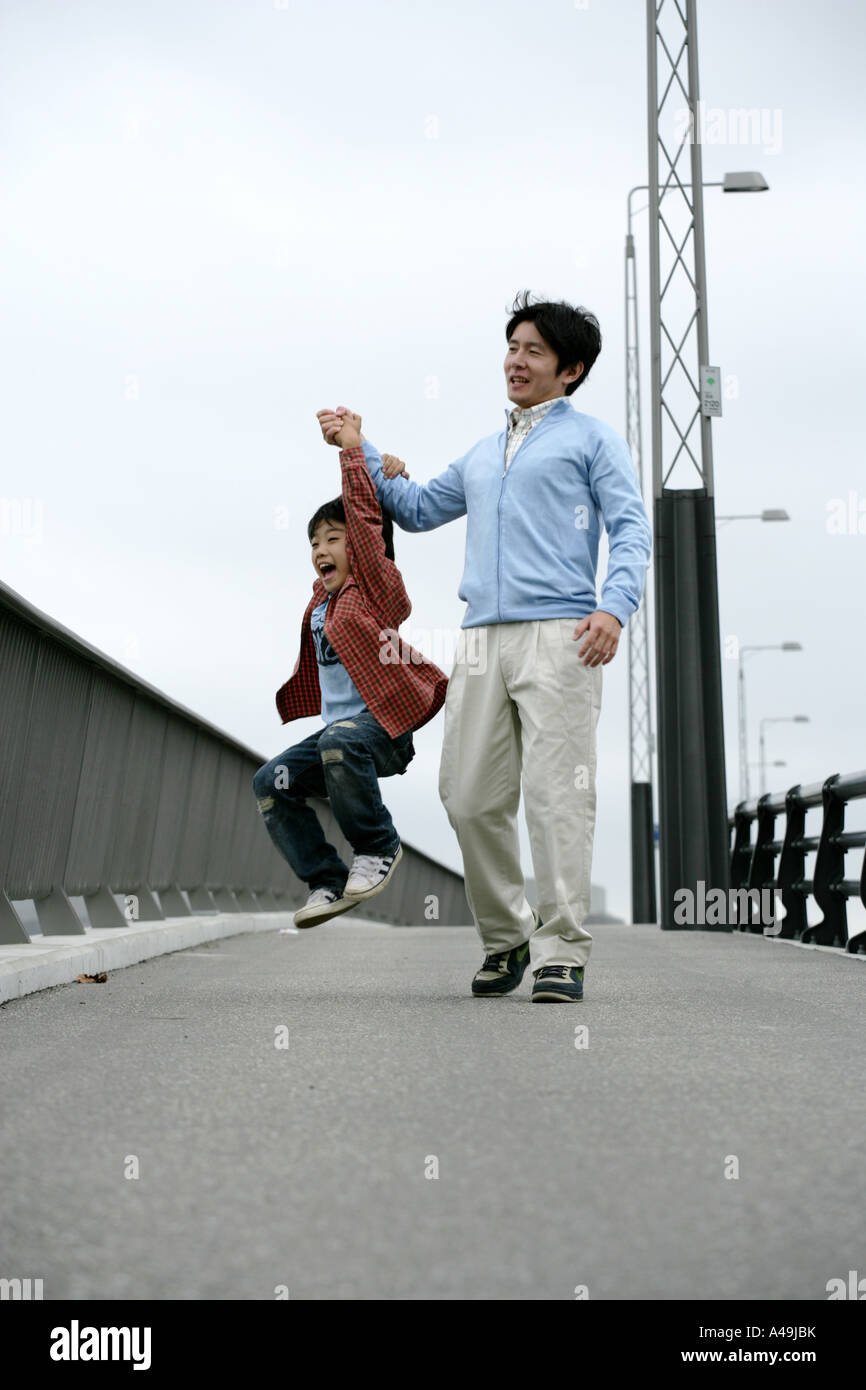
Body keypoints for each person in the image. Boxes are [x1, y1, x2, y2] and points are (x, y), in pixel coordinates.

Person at [316, 290, 652, 999]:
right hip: (480, 641)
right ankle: (508, 938)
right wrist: (361, 448)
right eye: (512, 347)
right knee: (467, 796)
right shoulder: (482, 451)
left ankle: (562, 951)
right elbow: (413, 507)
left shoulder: (591, 441)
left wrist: (614, 610)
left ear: (572, 370)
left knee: (556, 796)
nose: (516, 361)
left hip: (560, 636)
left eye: (534, 350)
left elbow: (631, 528)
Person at [253, 410, 448, 928]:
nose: (321, 549)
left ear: (360, 550)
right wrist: (377, 470)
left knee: (339, 738)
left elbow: (365, 524)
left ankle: (378, 846)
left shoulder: (374, 592)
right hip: (337, 741)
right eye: (314, 542)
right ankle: (325, 880)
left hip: (382, 730)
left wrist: (356, 452)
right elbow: (360, 513)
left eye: (333, 539)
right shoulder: (323, 601)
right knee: (272, 781)